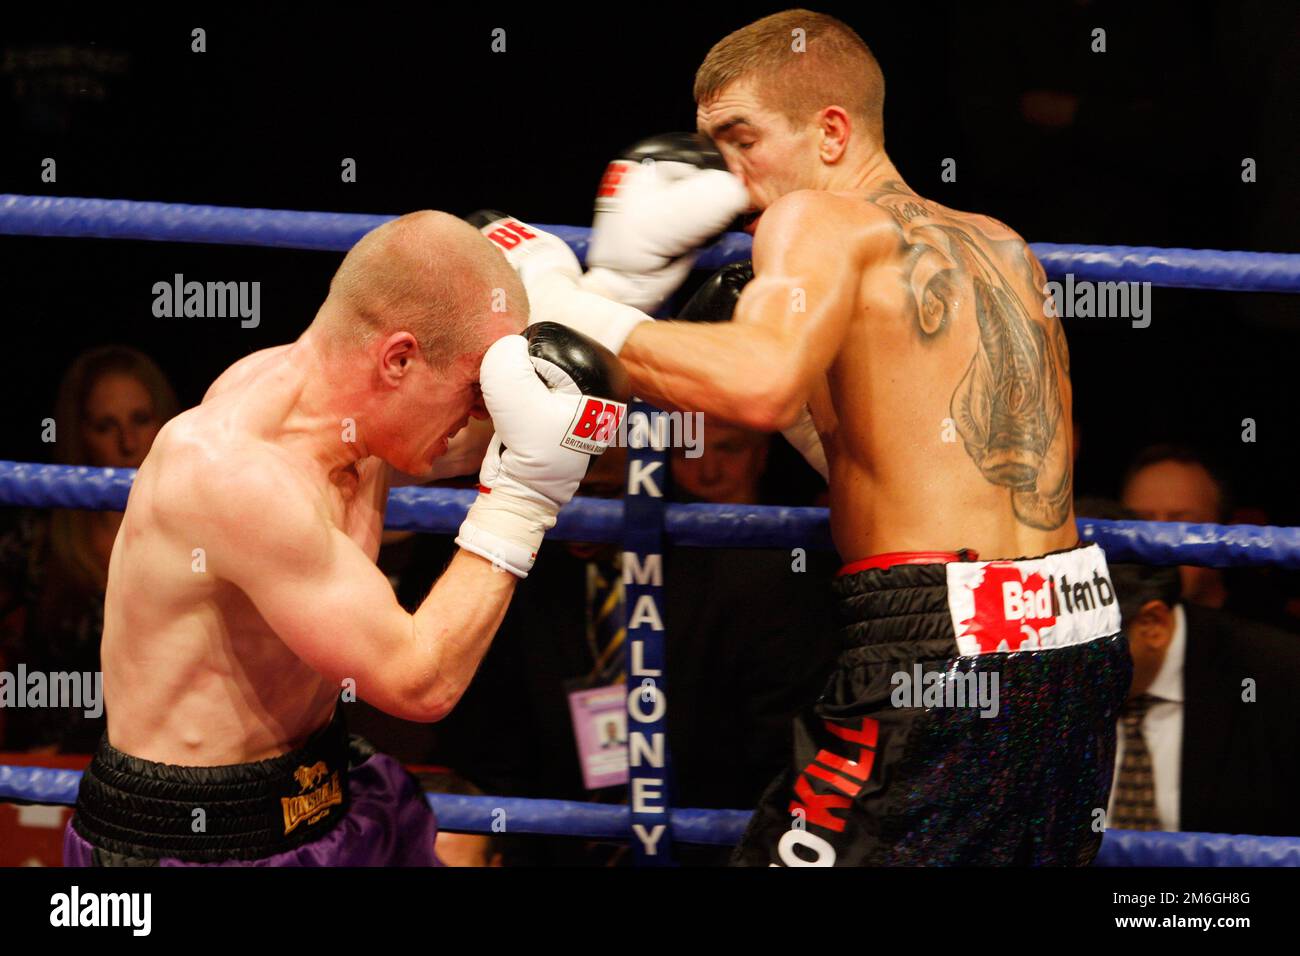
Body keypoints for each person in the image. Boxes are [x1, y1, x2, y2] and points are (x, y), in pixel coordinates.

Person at [479, 9, 1128, 866]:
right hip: (1072, 639)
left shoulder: (816, 222)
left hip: (933, 648)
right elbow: (965, 454)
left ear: (831, 131)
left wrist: (577, 310)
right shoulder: (1002, 246)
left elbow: (757, 381)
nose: (730, 182)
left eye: (741, 141)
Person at [62, 211, 628, 866]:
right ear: (399, 359)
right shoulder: (235, 472)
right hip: (198, 845)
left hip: (325, 791)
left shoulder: (346, 406)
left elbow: (518, 428)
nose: (484, 411)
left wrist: (600, 311)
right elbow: (422, 682)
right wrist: (524, 497)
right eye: (476, 388)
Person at [0, 346, 178, 753]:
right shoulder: (36, 543)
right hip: (47, 769)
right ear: (81, 435)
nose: (128, 443)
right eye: (105, 426)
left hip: (158, 771)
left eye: (141, 420)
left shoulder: (199, 537)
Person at [1086, 499, 1300, 838]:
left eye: (1084, 650)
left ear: (1153, 625)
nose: (1064, 671)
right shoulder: (1035, 686)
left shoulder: (1276, 675)